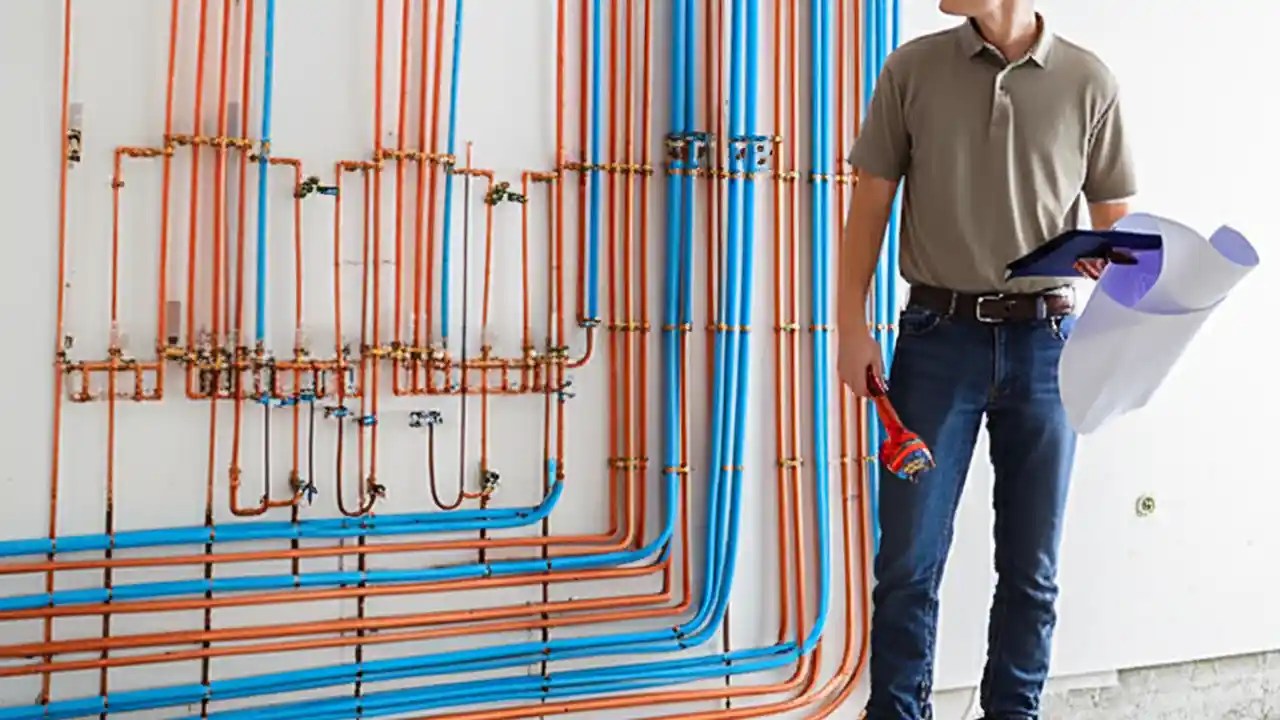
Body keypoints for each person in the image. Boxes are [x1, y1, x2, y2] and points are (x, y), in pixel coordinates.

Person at [836, 0, 1137, 718]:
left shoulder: (1089, 81)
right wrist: (850, 326)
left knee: (1031, 571)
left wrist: (1107, 260)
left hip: (1047, 350)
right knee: (907, 566)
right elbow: (869, 207)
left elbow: (1119, 228)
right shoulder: (912, 69)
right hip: (935, 343)